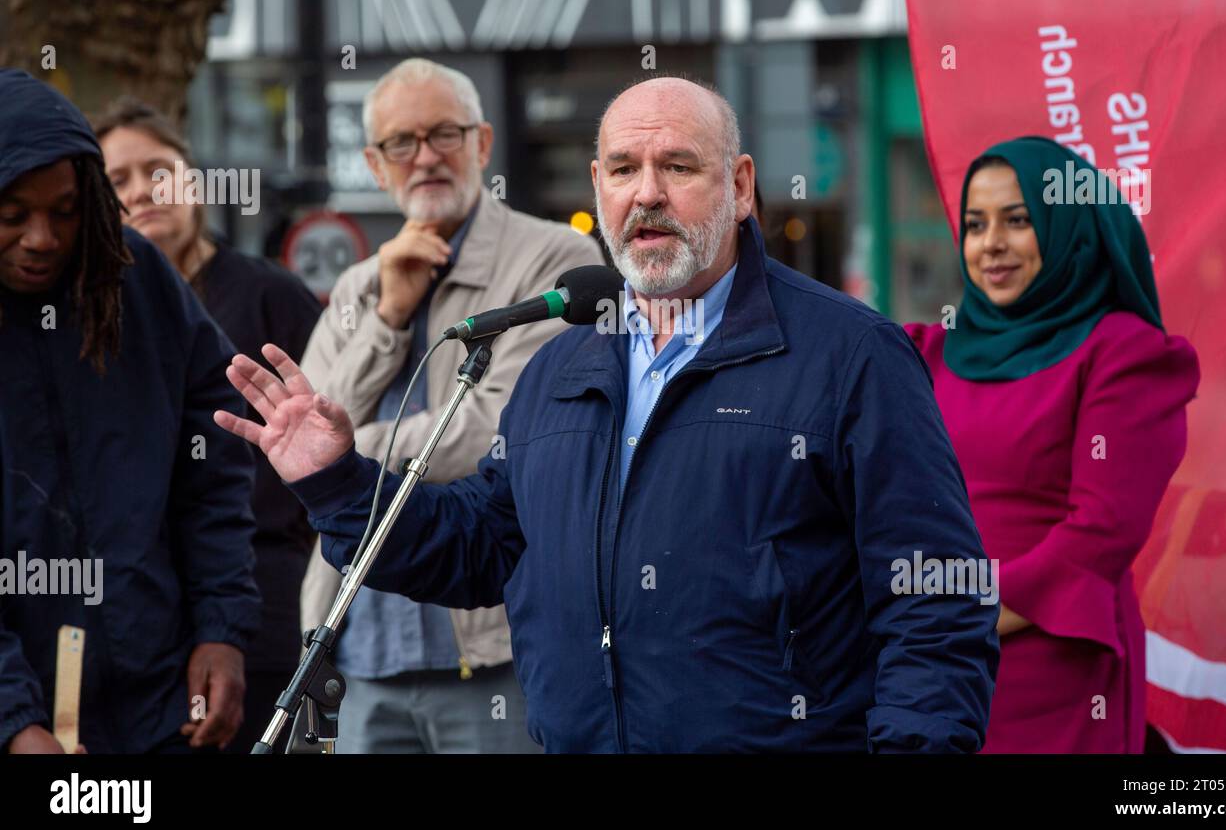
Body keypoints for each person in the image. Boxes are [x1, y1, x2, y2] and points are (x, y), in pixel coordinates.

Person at [216, 76, 999, 753]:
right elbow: (481, 547)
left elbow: (935, 601)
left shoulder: (851, 354)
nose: (646, 192)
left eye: (678, 166)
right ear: (598, 189)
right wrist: (337, 483)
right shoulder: (561, 365)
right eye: (623, 168)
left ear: (741, 186)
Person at [294, 58, 601, 753]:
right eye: (402, 143)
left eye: (444, 134)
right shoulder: (357, 287)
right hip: (360, 647)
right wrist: (388, 318)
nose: (425, 157)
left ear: (483, 144)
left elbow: (497, 431)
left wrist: (340, 460)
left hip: (492, 648)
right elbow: (302, 437)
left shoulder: (553, 258)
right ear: (375, 165)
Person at [903, 136, 1199, 753]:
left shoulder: (1123, 352)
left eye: (1018, 221)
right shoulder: (933, 352)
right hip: (931, 666)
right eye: (976, 224)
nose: (991, 245)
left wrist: (958, 618)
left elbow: (1099, 534)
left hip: (1053, 666)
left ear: (1069, 224)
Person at [0, 68, 260, 754]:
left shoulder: (137, 278)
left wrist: (222, 629)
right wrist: (13, 722)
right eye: (11, 216)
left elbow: (215, 468)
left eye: (64, 210)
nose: (42, 239)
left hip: (164, 709)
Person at [95, 98, 323, 753]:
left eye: (159, 170)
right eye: (118, 180)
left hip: (267, 601)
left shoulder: (268, 295)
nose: (143, 192)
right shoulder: (89, 312)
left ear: (193, 179)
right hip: (141, 615)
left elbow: (341, 436)